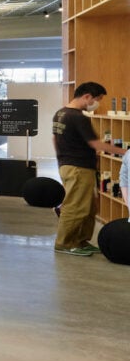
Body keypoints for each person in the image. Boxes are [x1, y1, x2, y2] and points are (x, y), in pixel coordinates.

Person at [53, 81, 116, 256]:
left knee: (89, 207)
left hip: (74, 165)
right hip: (78, 168)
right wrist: (123, 151)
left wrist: (61, 160)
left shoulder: (61, 113)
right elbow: (95, 144)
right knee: (76, 206)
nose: (98, 103)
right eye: (98, 99)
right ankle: (64, 243)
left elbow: (54, 139)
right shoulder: (78, 117)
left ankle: (81, 241)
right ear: (87, 96)